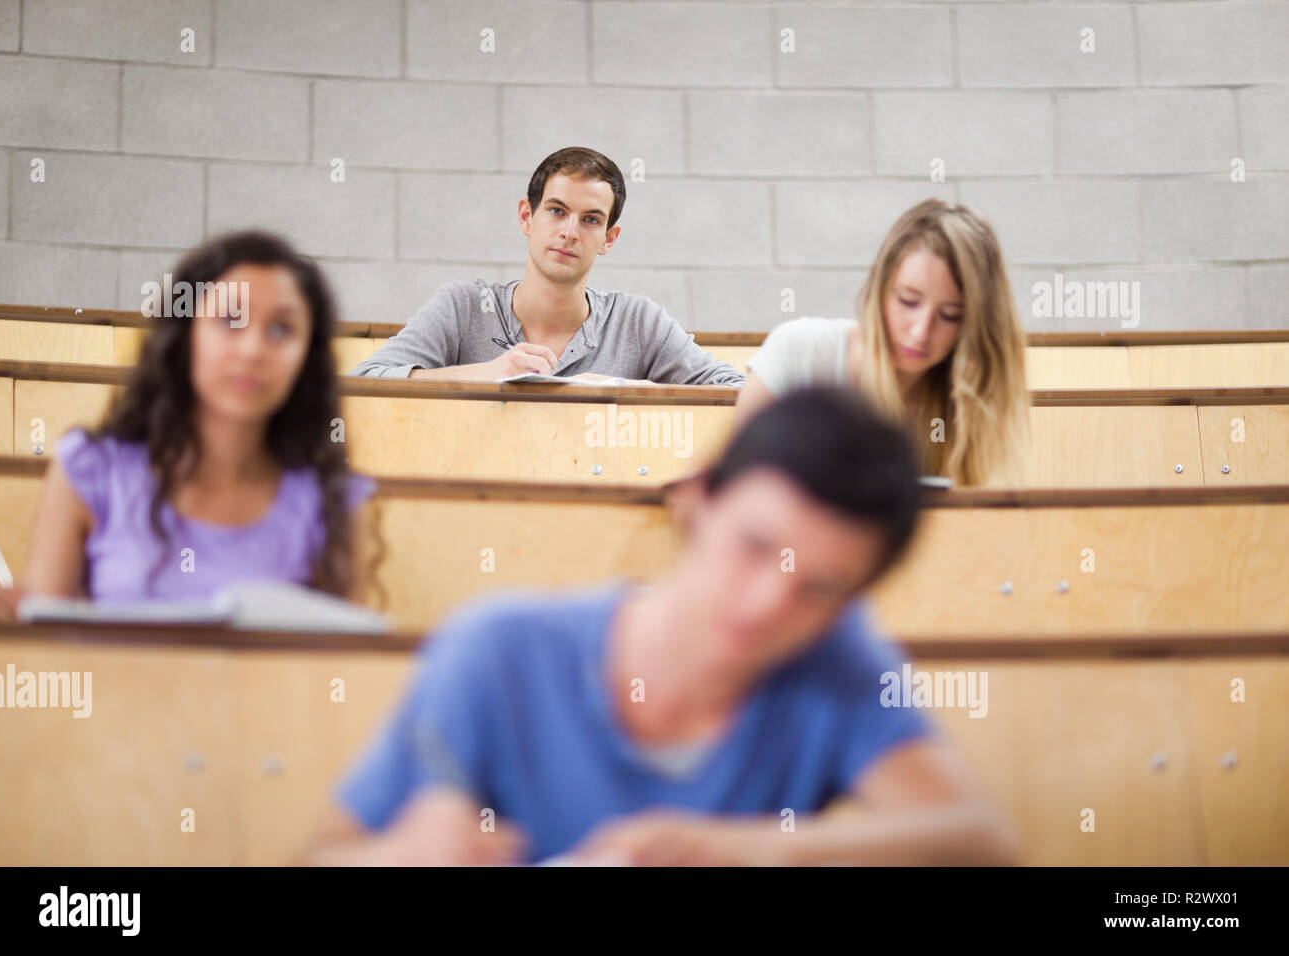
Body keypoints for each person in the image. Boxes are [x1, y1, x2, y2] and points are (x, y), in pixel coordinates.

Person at [303, 388, 1018, 866]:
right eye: (756, 547)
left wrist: (745, 850)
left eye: (821, 588)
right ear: (696, 501)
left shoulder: (836, 659)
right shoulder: (497, 650)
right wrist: (395, 858)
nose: (771, 603)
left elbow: (983, 843)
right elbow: (319, 856)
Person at [2, 231, 377, 611]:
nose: (252, 351)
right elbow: (47, 651)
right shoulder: (90, 471)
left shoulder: (334, 501)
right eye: (230, 320)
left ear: (305, 357)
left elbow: (343, 664)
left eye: (281, 329)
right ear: (186, 336)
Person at [350, 147, 744, 387]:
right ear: (527, 216)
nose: (570, 232)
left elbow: (735, 389)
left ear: (609, 238)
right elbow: (365, 382)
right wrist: (485, 374)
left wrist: (623, 388)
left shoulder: (637, 321)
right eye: (557, 211)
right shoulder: (463, 306)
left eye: (591, 219)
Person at [734, 199, 1030, 486]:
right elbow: (736, 489)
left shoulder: (967, 400)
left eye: (950, 315)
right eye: (908, 301)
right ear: (880, 286)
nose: (920, 332)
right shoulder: (799, 352)